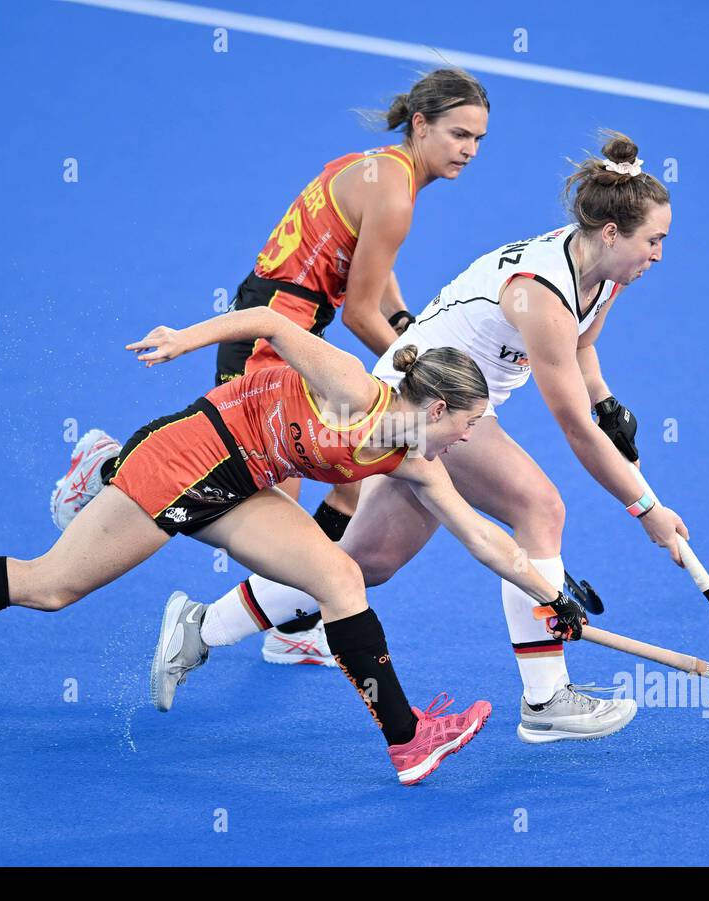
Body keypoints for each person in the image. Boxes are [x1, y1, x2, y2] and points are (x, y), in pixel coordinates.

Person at [0, 306, 590, 785]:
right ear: (438, 405)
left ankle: (407, 739)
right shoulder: (358, 389)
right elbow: (271, 327)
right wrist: (185, 340)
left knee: (340, 578)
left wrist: (550, 594)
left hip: (248, 483)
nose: (474, 435)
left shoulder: (416, 459)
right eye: (471, 421)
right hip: (188, 458)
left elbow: (483, 539)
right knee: (52, 587)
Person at [153, 131, 689, 745]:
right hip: (425, 406)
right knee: (540, 507)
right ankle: (547, 697)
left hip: (455, 407)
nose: (659, 255)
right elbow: (573, 430)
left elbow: (584, 347)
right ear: (614, 234)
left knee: (366, 564)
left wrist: (606, 401)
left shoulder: (606, 276)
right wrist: (646, 508)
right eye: (655, 241)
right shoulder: (541, 296)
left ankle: (201, 626)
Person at [51, 67, 490, 666]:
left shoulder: (380, 167)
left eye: (478, 140)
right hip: (275, 333)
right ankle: (106, 470)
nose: (468, 150)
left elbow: (373, 264)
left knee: (348, 483)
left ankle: (294, 622)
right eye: (458, 134)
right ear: (420, 125)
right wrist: (412, 375)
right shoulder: (395, 194)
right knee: (255, 494)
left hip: (279, 313)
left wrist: (405, 317)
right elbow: (361, 312)